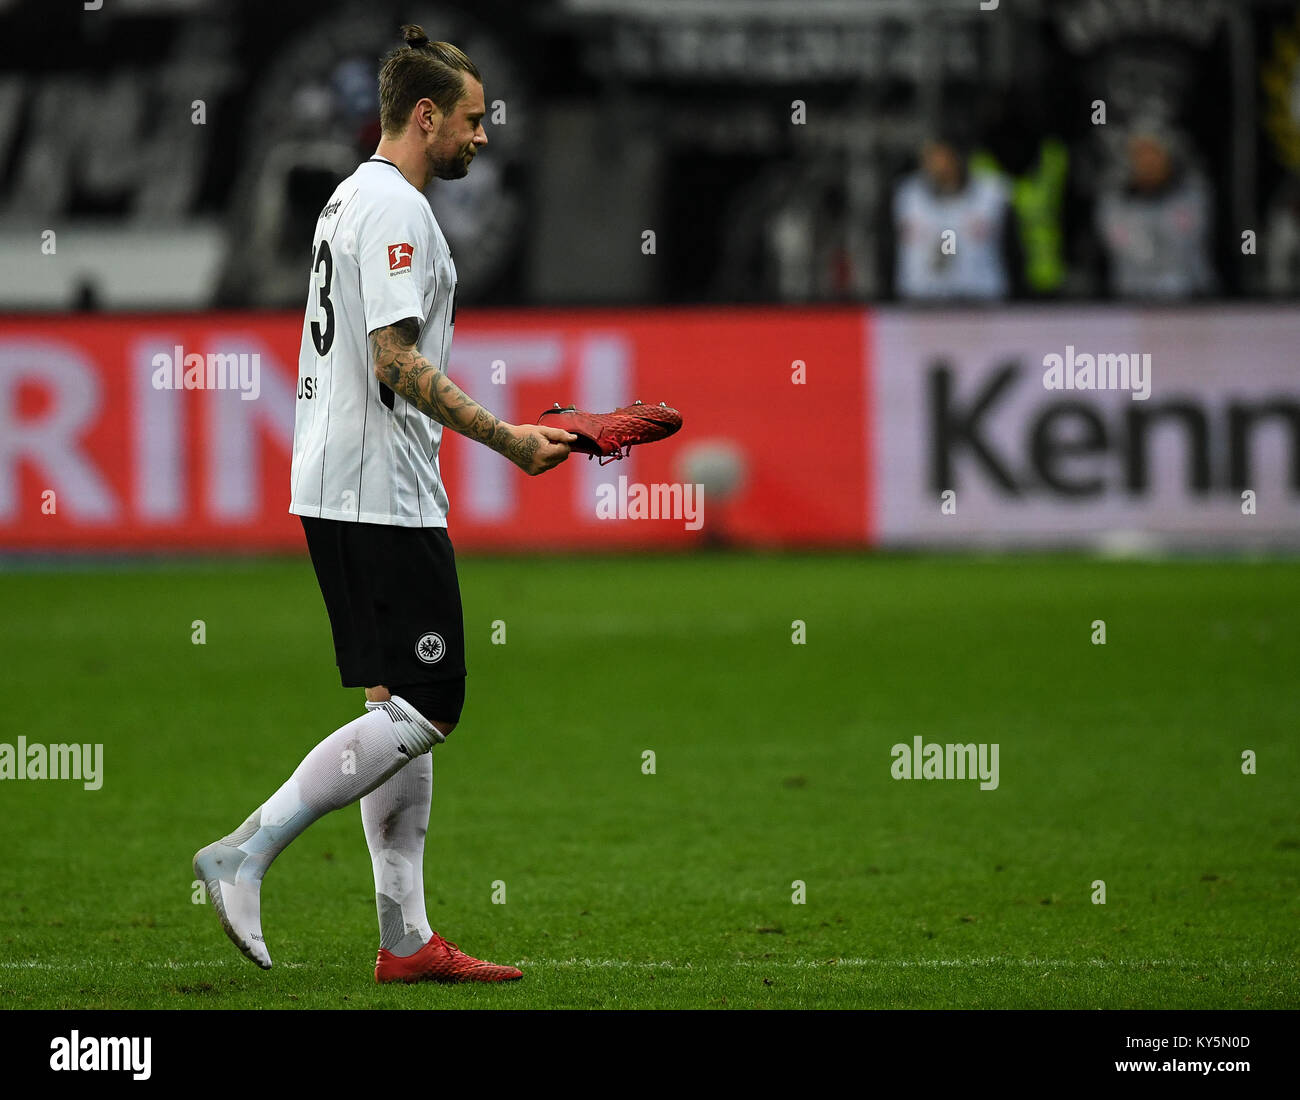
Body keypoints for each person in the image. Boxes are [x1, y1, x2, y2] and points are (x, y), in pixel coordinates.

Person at [193, 24, 576, 984]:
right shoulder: (398, 209)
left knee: (395, 701)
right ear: (424, 114)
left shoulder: (348, 197)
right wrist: (512, 439)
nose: (483, 138)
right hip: (378, 490)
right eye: (473, 120)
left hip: (339, 479)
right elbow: (395, 362)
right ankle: (246, 850)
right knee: (433, 702)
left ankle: (404, 940)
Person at [890, 134, 1016, 301]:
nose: (937, 165)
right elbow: (887, 245)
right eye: (931, 158)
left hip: (980, 299)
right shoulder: (907, 196)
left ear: (957, 158)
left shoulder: (992, 193)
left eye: (943, 157)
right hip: (921, 299)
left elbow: (1013, 246)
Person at [1095, 128, 1216, 300]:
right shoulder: (1113, 202)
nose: (1148, 162)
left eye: (1154, 153)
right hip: (1129, 300)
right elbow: (1127, 250)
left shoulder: (1192, 194)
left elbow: (1182, 247)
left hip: (1189, 299)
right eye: (1140, 154)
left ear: (1168, 156)